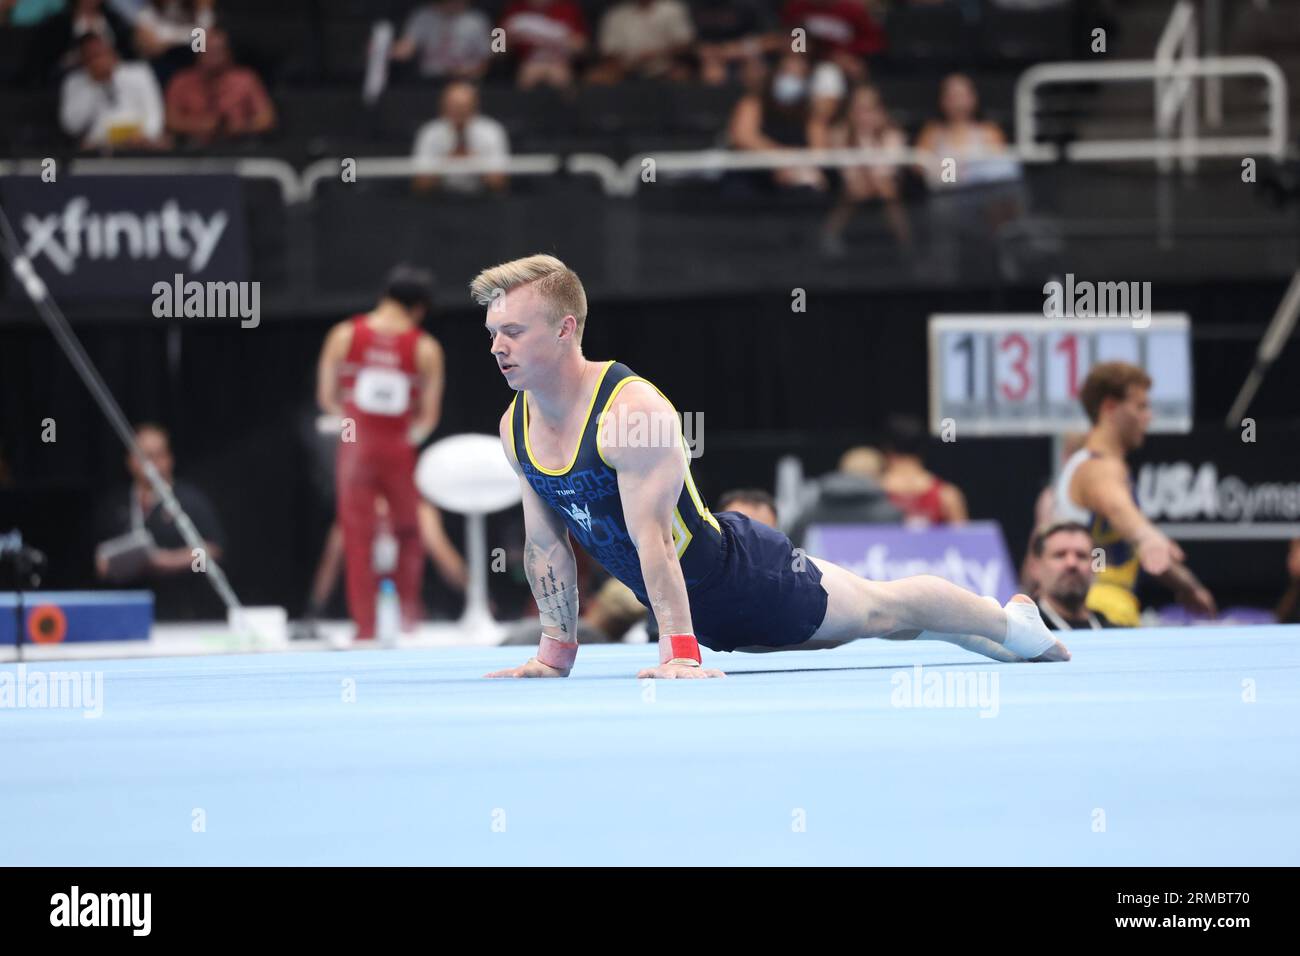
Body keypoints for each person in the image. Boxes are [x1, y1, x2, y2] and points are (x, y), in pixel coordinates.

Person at [470, 254, 1069, 679]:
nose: (498, 347)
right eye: (494, 332)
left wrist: (678, 650)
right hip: (703, 613)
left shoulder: (629, 412)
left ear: (566, 328)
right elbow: (545, 545)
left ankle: (1015, 625)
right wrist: (555, 654)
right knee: (879, 620)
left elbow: (653, 542)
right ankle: (984, 631)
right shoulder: (513, 426)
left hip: (744, 580)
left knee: (883, 609)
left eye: (514, 332)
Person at [316, 265, 445, 641]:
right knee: (409, 530)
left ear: (385, 296)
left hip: (356, 446)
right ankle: (407, 619)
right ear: (419, 308)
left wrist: (355, 429)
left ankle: (365, 629)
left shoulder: (343, 335)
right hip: (398, 448)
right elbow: (429, 417)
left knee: (357, 535)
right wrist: (402, 438)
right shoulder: (425, 348)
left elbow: (326, 398)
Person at [1053, 362, 1216, 627]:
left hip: (1109, 609)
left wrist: (1187, 586)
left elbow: (1137, 543)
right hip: (1100, 609)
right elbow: (1120, 511)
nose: (1148, 416)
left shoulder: (1102, 466)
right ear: (1109, 408)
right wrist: (1147, 535)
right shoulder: (1098, 469)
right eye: (1140, 406)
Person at [93, 423, 225, 619]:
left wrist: (168, 561)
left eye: (158, 455)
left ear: (169, 458)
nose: (151, 463)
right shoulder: (115, 504)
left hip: (181, 612)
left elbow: (210, 553)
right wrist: (108, 564)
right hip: (126, 611)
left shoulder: (189, 501)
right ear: (130, 460)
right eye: (145, 455)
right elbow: (99, 557)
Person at [1030, 521, 1115, 631]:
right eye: (1060, 555)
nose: (1072, 563)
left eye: (1081, 556)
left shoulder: (1116, 634)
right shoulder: (1021, 633)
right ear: (1035, 568)